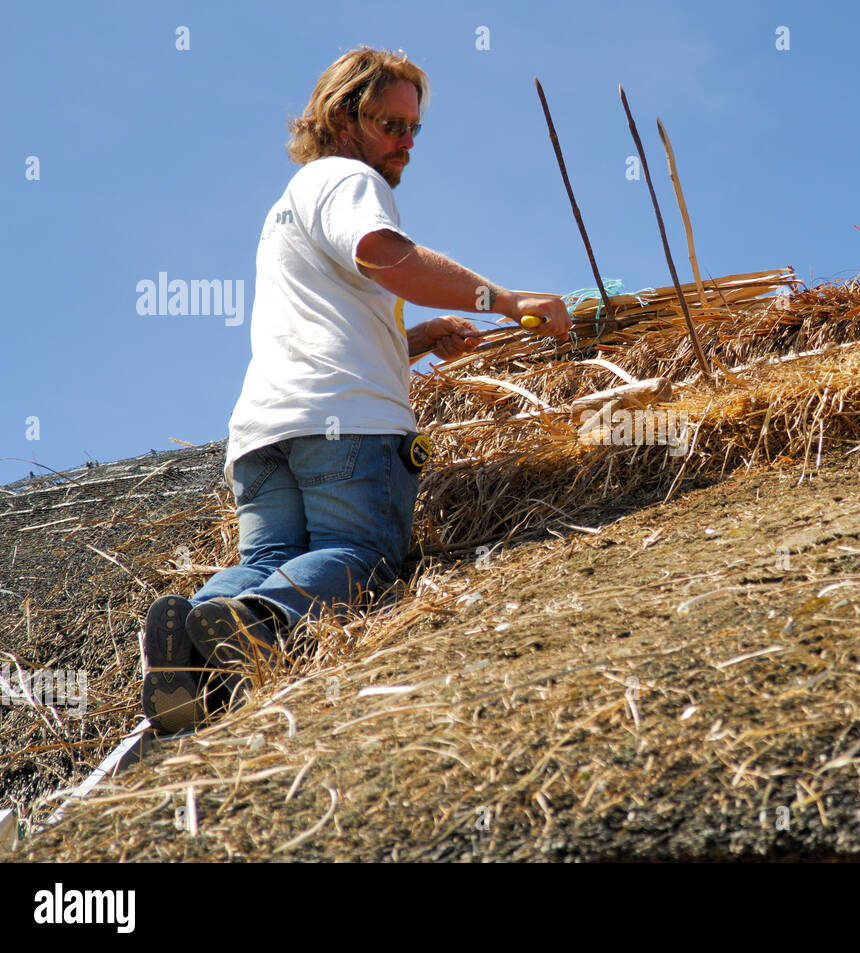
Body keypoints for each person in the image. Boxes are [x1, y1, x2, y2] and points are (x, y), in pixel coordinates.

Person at [141, 46, 571, 734]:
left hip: (262, 434)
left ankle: (187, 642)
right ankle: (260, 621)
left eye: (414, 129)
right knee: (362, 552)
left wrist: (419, 341)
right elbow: (384, 255)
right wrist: (506, 297)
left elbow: (325, 331)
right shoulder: (348, 179)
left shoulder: (286, 207)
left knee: (268, 557)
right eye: (391, 124)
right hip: (346, 428)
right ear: (344, 117)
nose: (406, 144)